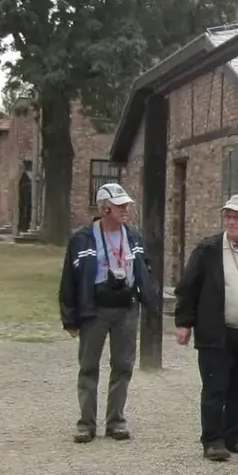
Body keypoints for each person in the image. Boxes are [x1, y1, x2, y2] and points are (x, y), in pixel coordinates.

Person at [60, 182, 152, 443]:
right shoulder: (82, 239)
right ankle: (86, 423)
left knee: (123, 366)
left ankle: (116, 421)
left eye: (127, 205)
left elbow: (145, 269)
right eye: (120, 206)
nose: (126, 210)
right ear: (104, 209)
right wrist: (69, 317)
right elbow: (69, 280)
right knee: (89, 367)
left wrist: (147, 298)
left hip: (126, 309)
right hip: (95, 309)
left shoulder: (133, 237)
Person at [174, 194, 238, 462]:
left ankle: (234, 436)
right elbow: (188, 286)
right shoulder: (209, 249)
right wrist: (184, 322)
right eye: (228, 216)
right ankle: (212, 440)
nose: (231, 221)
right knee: (215, 387)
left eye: (237, 216)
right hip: (217, 330)